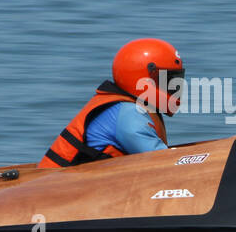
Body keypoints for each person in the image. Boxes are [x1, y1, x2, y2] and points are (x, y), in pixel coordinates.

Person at [39, 38, 185, 168]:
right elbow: (164, 162)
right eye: (167, 80)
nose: (172, 87)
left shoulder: (129, 107)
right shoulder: (130, 113)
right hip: (56, 188)